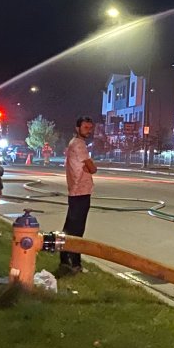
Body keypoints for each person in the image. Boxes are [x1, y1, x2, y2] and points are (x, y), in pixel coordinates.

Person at [59, 116, 97, 275]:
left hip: (76, 191)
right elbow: (92, 168)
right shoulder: (79, 144)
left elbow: (89, 167)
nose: (89, 131)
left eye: (90, 128)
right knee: (77, 230)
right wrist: (90, 167)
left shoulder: (73, 143)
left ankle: (64, 259)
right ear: (77, 128)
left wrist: (89, 167)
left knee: (69, 227)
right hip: (80, 192)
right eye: (85, 127)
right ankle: (75, 263)